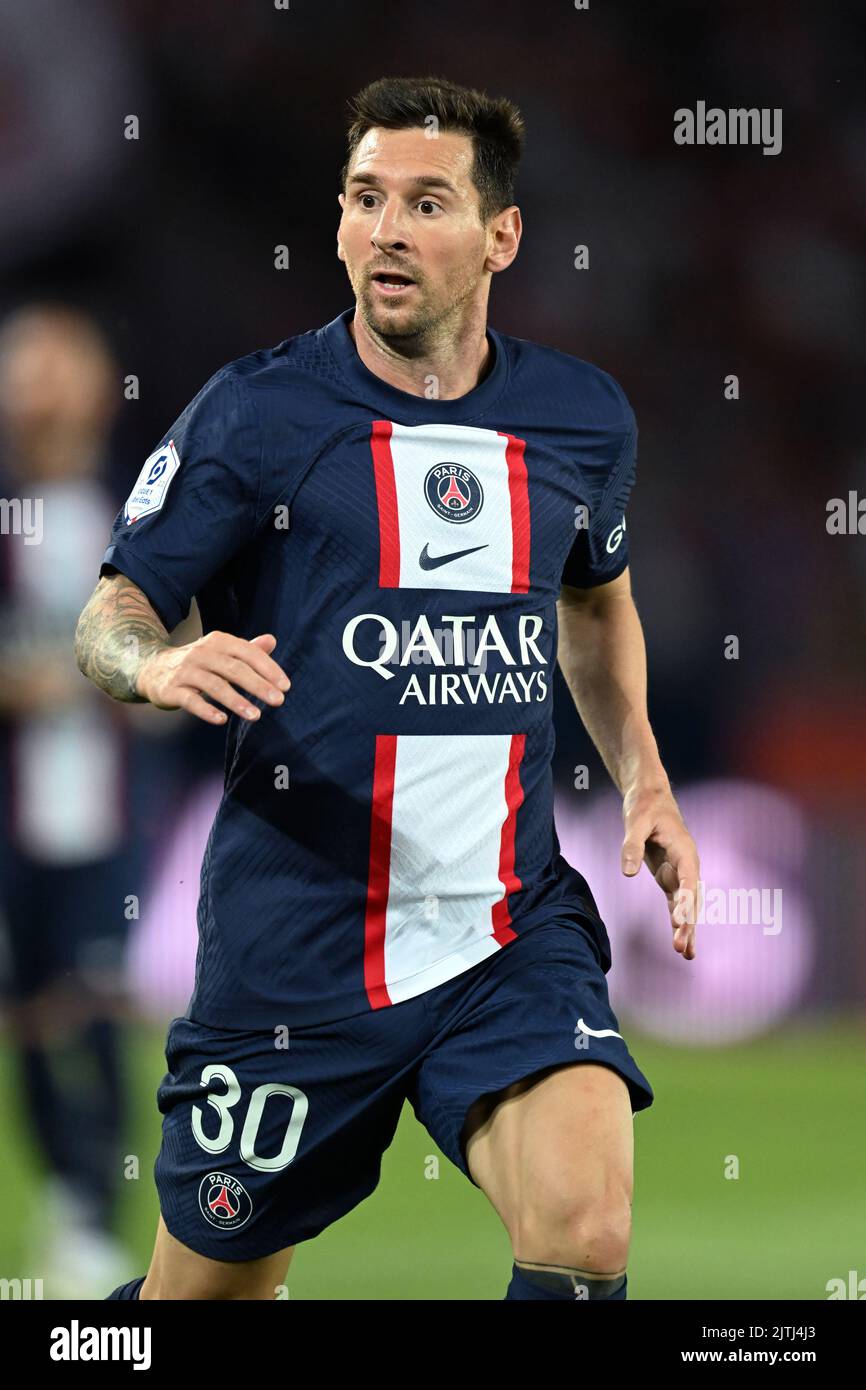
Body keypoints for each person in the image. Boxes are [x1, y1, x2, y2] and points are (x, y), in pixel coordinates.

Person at [75, 75, 699, 1302]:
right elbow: (110, 612)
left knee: (584, 1232)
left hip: (506, 924)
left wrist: (646, 779)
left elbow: (591, 598)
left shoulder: (580, 420)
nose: (386, 231)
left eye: (425, 202)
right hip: (296, 949)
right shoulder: (258, 414)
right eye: (366, 199)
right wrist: (156, 663)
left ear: (500, 235)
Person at [0, 305, 137, 1296]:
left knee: (94, 1004)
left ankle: (98, 1210)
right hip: (16, 813)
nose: (39, 389)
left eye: (56, 367)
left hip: (110, 808)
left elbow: (180, 644)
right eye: (24, 370)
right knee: (34, 1014)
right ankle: (65, 1198)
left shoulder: (137, 511)